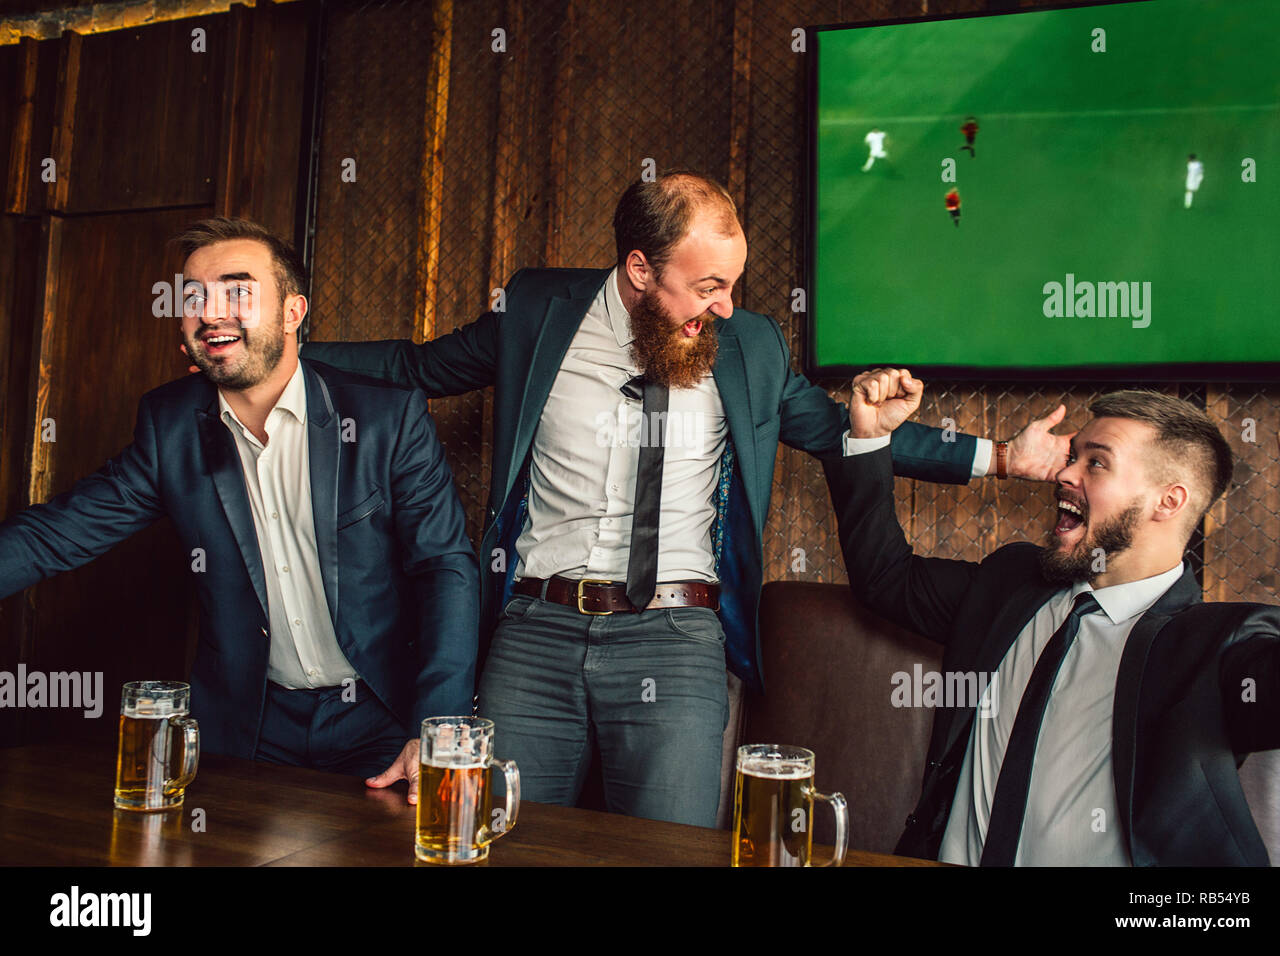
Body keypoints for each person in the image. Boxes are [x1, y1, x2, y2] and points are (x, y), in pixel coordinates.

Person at [302, 171, 1069, 827]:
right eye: (709, 286)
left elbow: (847, 429)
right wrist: (281, 353)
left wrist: (998, 456)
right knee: (504, 840)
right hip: (532, 634)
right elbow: (414, 366)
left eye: (734, 283)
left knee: (673, 853)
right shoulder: (537, 312)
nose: (728, 305)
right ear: (640, 269)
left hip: (674, 640)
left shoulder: (749, 346)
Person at [0, 218, 477, 802]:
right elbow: (55, 535)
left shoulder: (385, 419)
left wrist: (438, 731)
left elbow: (446, 569)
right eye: (194, 297)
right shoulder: (169, 425)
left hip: (381, 722)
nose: (212, 311)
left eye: (238, 292)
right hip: (248, 728)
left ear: (293, 312)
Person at [824, 368, 1280, 865]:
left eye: (1097, 464)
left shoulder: (1215, 647)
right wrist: (870, 438)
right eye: (1074, 457)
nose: (1065, 474)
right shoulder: (1011, 581)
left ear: (1169, 500)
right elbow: (885, 578)